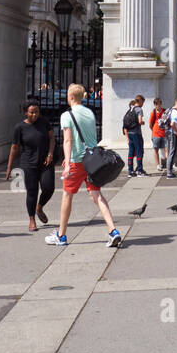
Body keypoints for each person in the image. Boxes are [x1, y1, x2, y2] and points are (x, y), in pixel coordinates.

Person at [48, 84, 122, 248]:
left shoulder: (67, 115)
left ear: (71, 97)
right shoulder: (89, 113)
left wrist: (66, 162)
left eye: (68, 95)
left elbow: (67, 140)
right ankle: (113, 230)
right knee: (97, 195)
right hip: (92, 161)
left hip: (76, 160)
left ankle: (61, 235)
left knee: (67, 195)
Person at [5, 102, 55, 232]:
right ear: (26, 113)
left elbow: (52, 139)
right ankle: (32, 219)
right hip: (28, 164)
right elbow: (14, 148)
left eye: (36, 112)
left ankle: (39, 207)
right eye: (32, 112)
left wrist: (50, 153)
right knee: (32, 192)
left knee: (49, 188)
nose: (34, 115)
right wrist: (9, 167)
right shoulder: (20, 127)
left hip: (46, 162)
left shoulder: (44, 122)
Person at [122, 95, 147, 178]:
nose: (143, 104)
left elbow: (125, 125)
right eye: (143, 102)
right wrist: (143, 122)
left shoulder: (130, 110)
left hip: (129, 133)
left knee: (131, 152)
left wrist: (127, 138)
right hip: (136, 133)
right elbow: (140, 121)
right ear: (140, 101)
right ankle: (140, 170)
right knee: (139, 151)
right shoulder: (139, 110)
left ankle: (130, 171)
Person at [164, 99, 177, 179]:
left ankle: (170, 170)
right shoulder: (175, 112)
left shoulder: (169, 109)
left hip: (168, 132)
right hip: (172, 133)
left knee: (170, 151)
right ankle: (169, 172)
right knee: (172, 152)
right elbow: (173, 124)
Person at [150, 97, 167, 173]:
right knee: (156, 149)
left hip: (164, 134)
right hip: (156, 133)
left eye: (159, 104)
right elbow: (150, 124)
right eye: (157, 104)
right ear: (155, 105)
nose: (158, 106)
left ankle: (168, 164)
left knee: (166, 149)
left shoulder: (165, 111)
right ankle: (158, 165)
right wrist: (154, 131)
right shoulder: (153, 113)